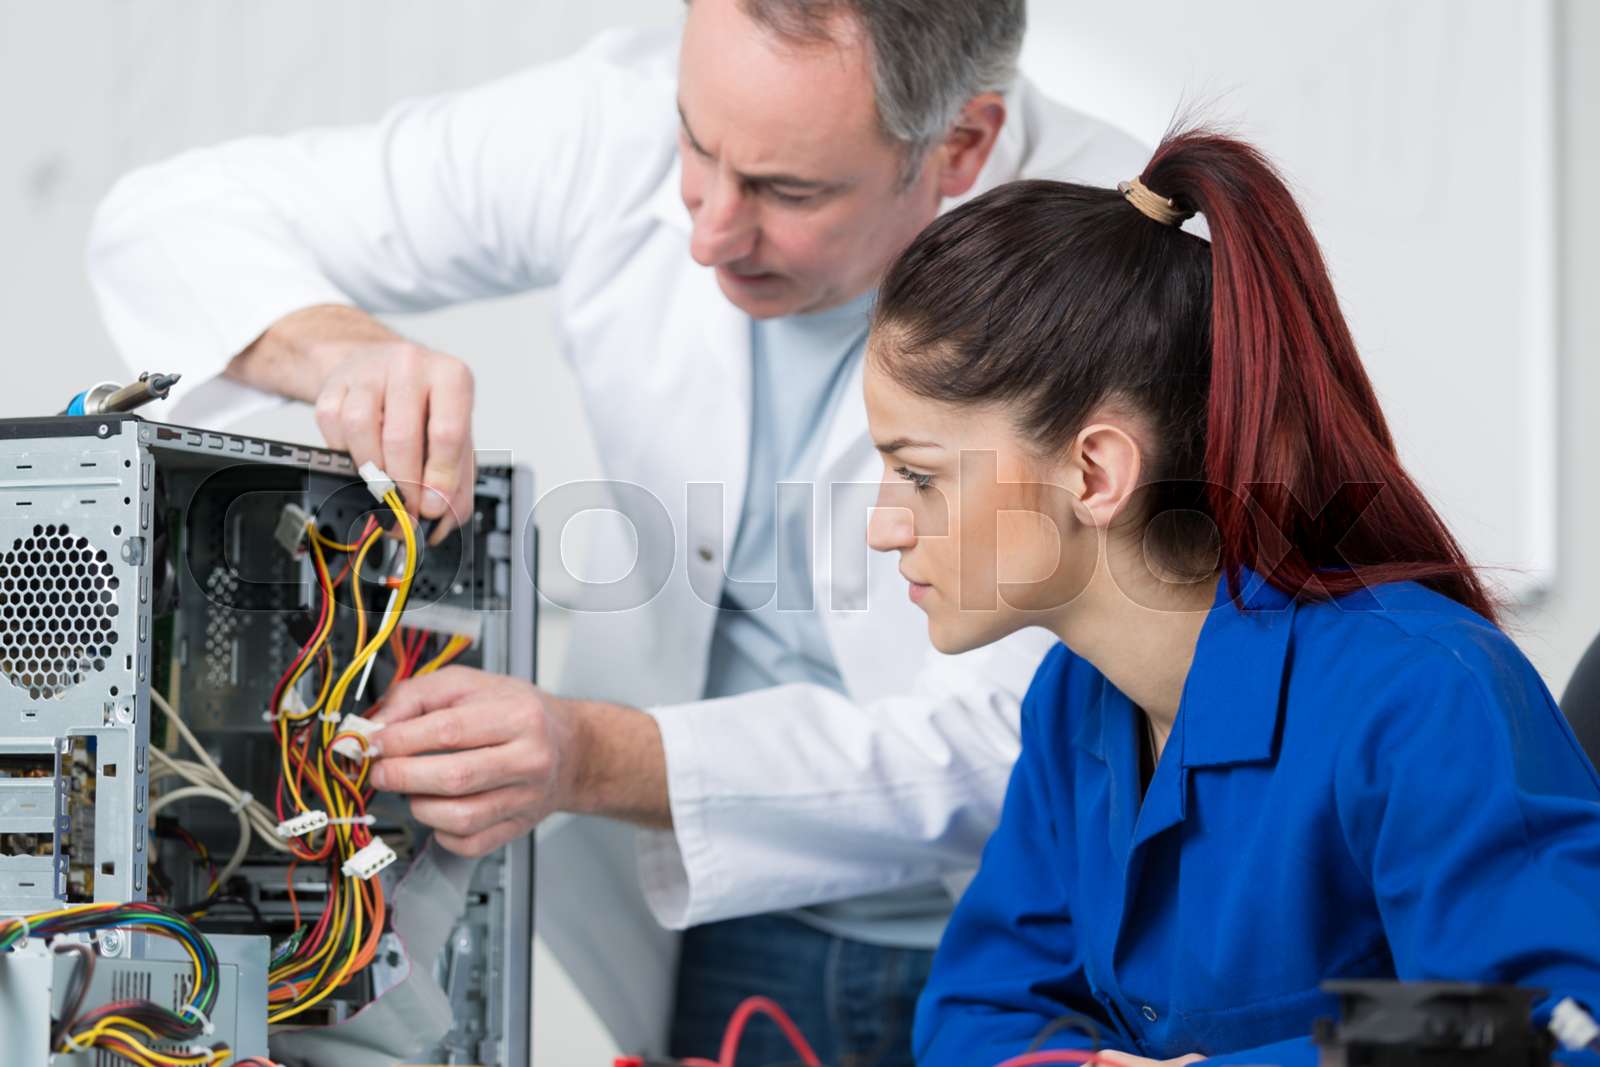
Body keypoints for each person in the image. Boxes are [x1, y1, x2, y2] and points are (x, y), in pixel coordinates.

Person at [86, 0, 1149, 1060]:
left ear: (959, 143)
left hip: (1017, 942)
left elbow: (1013, 739)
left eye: (787, 190)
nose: (707, 229)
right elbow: (169, 218)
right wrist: (338, 352)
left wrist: (601, 754)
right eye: (697, 144)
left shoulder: (1127, 264)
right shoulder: (612, 120)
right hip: (706, 920)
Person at [859, 131, 1600, 1067]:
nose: (886, 527)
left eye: (918, 475)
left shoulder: (1422, 698)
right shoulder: (1074, 700)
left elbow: (1556, 1029)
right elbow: (979, 1012)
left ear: (1094, 472)